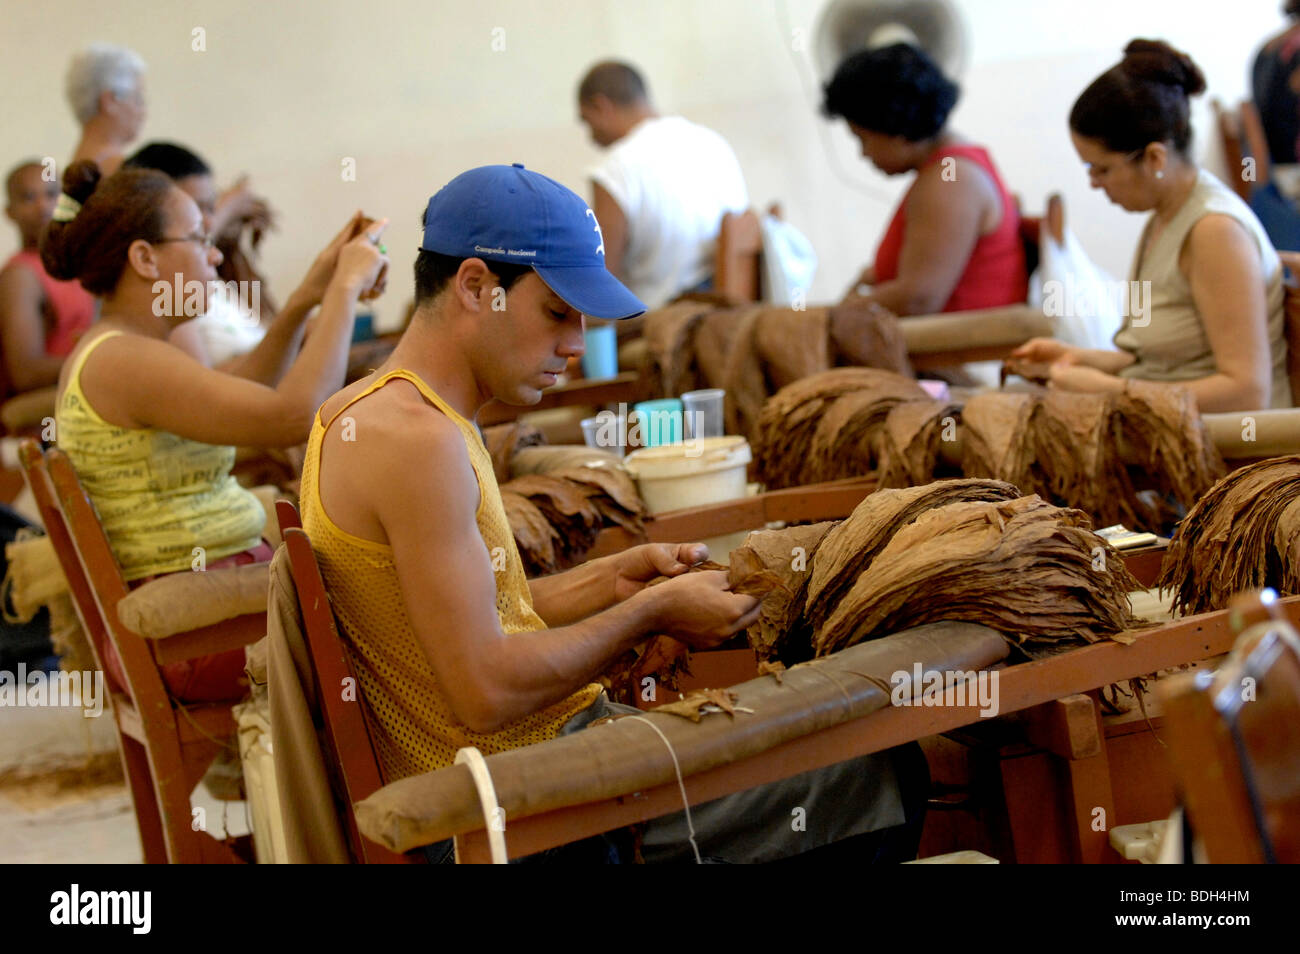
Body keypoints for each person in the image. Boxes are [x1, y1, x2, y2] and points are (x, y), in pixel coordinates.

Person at [302, 163, 925, 863]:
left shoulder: (386, 412)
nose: (575, 343)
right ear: (476, 286)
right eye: (557, 313)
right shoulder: (418, 442)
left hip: (536, 774)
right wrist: (649, 615)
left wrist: (614, 581)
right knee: (878, 770)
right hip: (523, 814)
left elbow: (470, 616)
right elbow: (483, 687)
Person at [40, 159, 387, 701]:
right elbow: (293, 416)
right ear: (144, 258)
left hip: (211, 609)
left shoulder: (128, 348)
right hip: (199, 631)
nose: (216, 254)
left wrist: (309, 294)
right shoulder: (124, 361)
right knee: (405, 607)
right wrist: (345, 289)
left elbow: (249, 389)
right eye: (200, 238)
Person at [1013, 39, 1289, 413]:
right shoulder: (1163, 219)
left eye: (1102, 169)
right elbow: (1160, 364)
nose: (1094, 183)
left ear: (1155, 157)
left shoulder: (1214, 231)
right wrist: (1076, 358)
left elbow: (1246, 393)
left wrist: (1111, 390)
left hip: (1228, 447)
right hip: (1175, 428)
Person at [824, 43, 1028, 315]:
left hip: (960, 349)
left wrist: (830, 316)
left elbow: (918, 299)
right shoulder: (951, 166)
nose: (863, 154)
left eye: (862, 138)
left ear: (892, 125)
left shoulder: (950, 177)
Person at [578, 61, 749, 311]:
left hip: (662, 329)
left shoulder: (614, 170)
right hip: (730, 316)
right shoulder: (713, 143)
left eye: (587, 121)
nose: (590, 137)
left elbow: (601, 284)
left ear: (601, 106)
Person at [124, 141, 278, 366]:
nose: (208, 221)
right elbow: (207, 388)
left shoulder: (205, 277)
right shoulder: (170, 294)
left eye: (211, 207)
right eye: (195, 208)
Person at [0, 161, 95, 396]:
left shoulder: (75, 267)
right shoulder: (20, 277)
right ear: (10, 213)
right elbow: (26, 374)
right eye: (29, 197)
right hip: (41, 417)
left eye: (52, 194)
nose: (43, 206)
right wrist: (102, 357)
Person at [66, 44, 147, 176]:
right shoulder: (121, 173)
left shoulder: (77, 166)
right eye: (138, 99)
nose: (143, 112)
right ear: (110, 101)